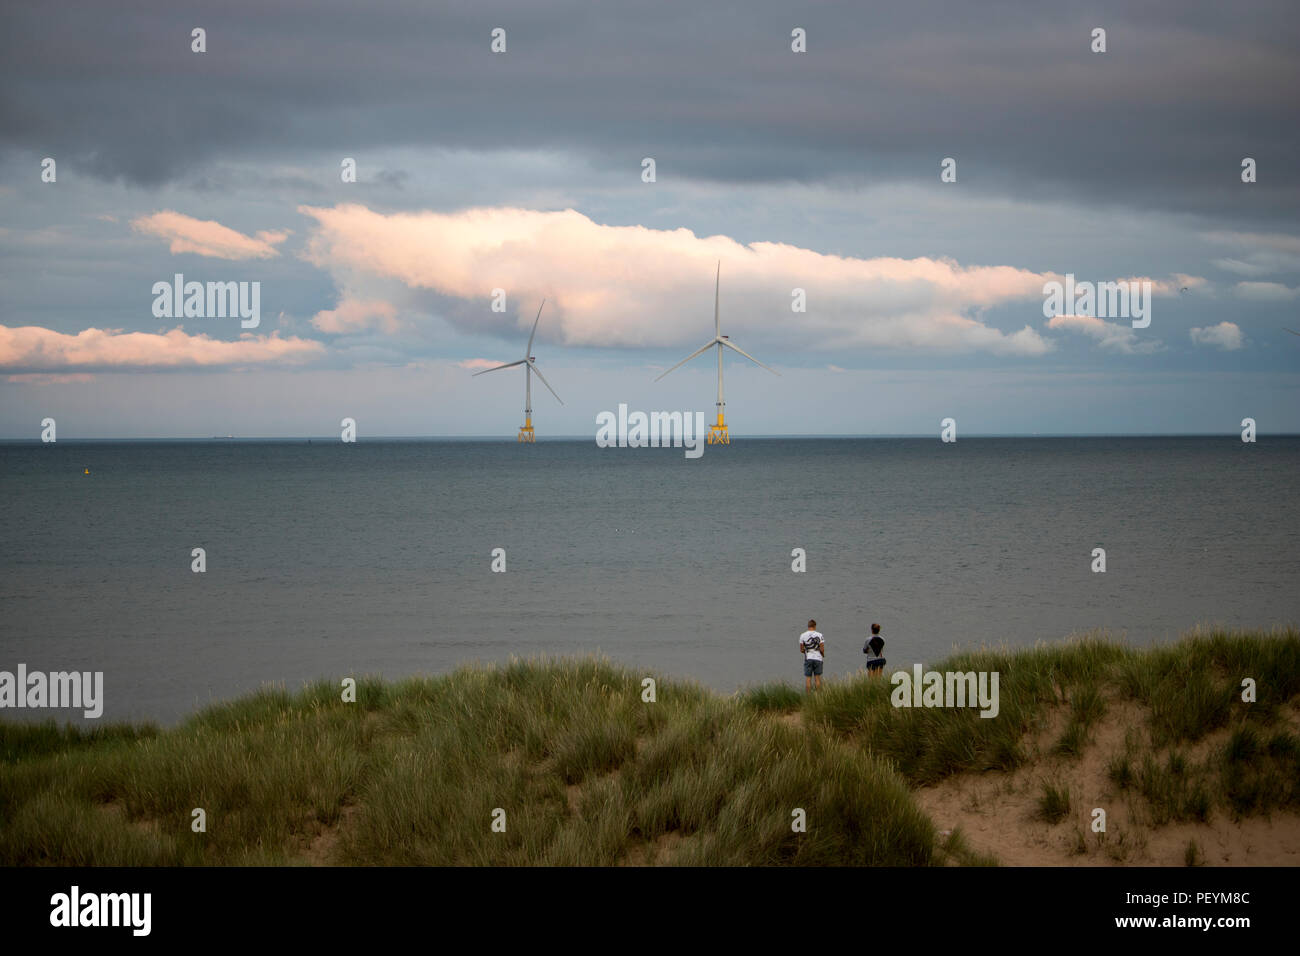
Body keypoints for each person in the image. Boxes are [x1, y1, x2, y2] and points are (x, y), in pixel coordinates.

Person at [798, 619, 825, 692]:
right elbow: (822, 649)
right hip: (818, 659)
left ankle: (808, 697)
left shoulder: (802, 635)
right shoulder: (820, 635)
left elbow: (801, 650)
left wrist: (807, 652)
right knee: (817, 678)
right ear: (815, 626)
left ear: (808, 626)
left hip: (808, 658)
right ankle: (818, 697)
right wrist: (823, 655)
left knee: (808, 678)